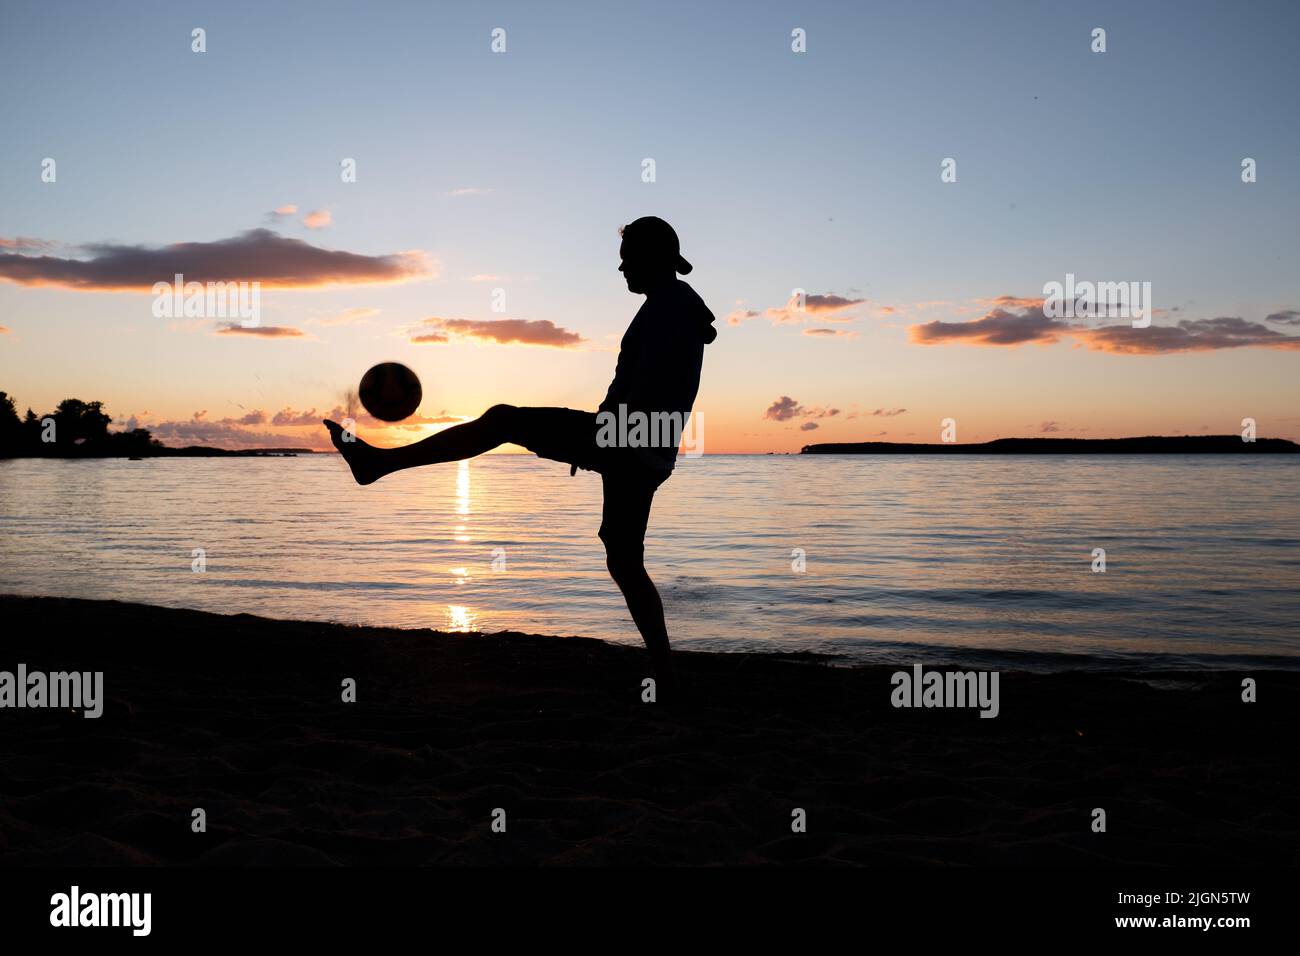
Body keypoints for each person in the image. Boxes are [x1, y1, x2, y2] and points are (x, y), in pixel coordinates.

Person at [324, 217, 717, 694]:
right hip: (648, 449)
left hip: (625, 438)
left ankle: (379, 463)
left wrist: (600, 439)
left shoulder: (669, 307)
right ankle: (666, 675)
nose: (619, 267)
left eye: (627, 257)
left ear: (651, 259)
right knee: (623, 560)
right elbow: (684, 352)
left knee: (504, 419)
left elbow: (656, 381)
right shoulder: (676, 304)